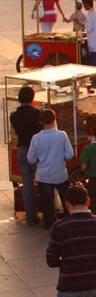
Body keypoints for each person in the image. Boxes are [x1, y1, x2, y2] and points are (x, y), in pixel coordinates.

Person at [28, 109, 75, 230]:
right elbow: (70, 154)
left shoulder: (36, 138)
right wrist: (61, 158)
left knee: (47, 201)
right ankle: (69, 220)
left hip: (43, 175)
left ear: (41, 122)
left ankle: (49, 222)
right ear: (54, 120)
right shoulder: (62, 135)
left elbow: (30, 158)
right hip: (60, 173)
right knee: (66, 198)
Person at [10, 86, 42, 226]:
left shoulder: (13, 116)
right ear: (32, 98)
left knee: (27, 184)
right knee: (44, 183)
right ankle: (48, 212)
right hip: (36, 151)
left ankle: (31, 217)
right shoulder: (37, 114)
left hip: (22, 150)